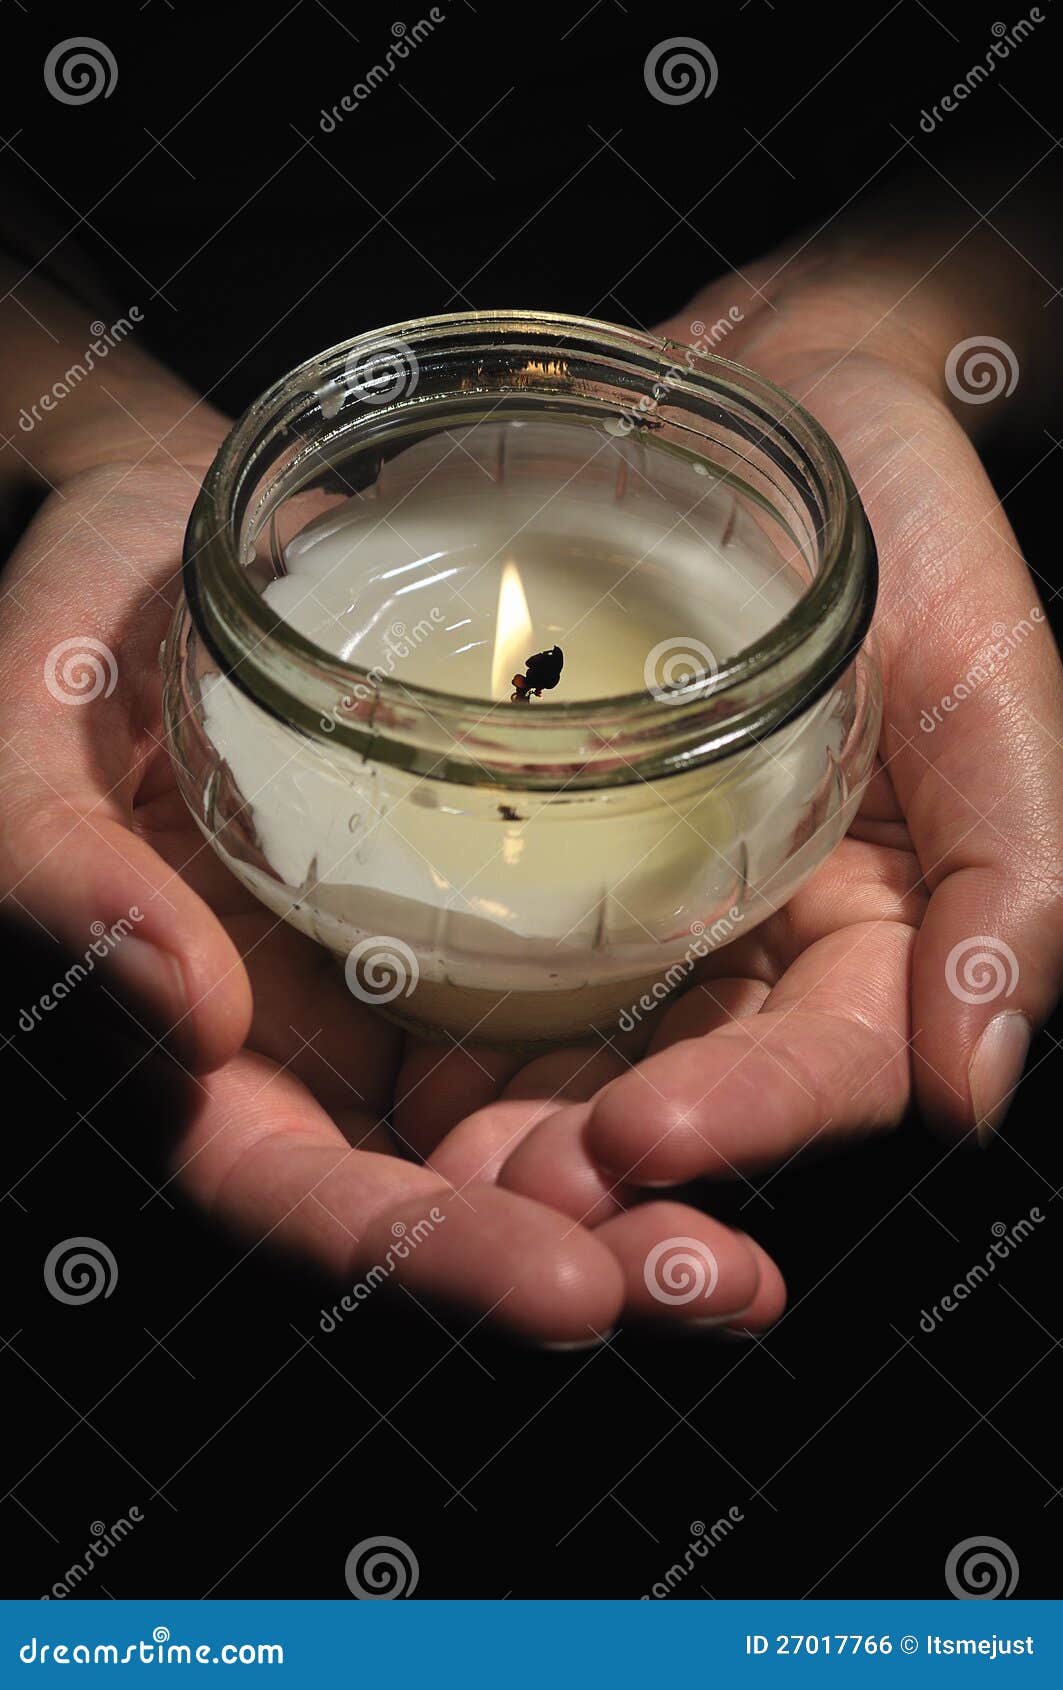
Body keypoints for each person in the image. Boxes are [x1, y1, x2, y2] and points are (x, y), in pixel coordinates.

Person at [1, 176, 1060, 1349]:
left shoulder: (806, 651)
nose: (513, 748)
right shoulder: (213, 649)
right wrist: (74, 423)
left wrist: (908, 295)